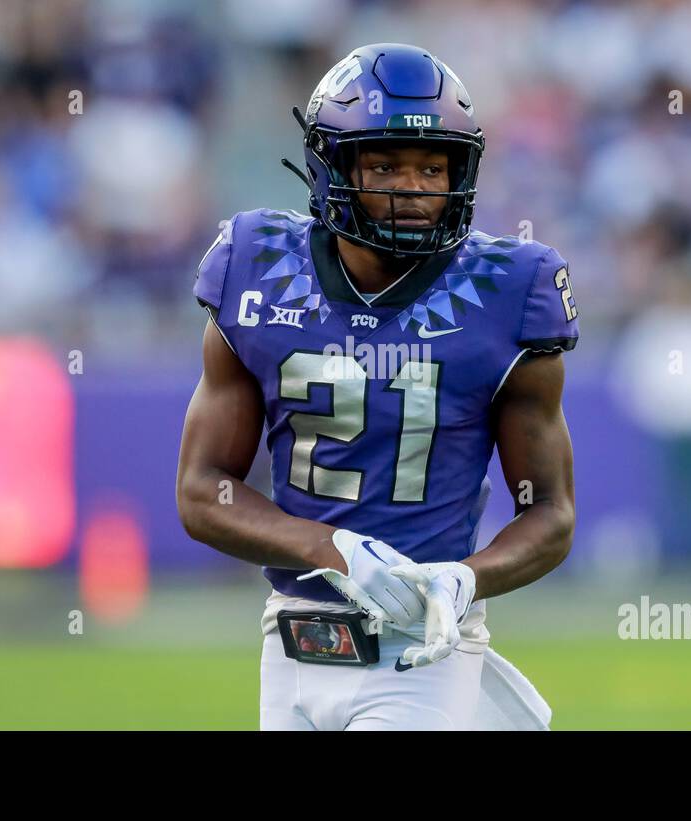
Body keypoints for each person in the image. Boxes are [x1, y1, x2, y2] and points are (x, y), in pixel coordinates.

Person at [176, 43, 578, 730]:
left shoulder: (511, 289)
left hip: (425, 647)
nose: (413, 187)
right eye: (385, 164)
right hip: (292, 635)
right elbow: (201, 489)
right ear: (332, 165)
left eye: (433, 166)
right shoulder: (255, 266)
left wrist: (465, 578)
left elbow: (550, 512)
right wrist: (327, 548)